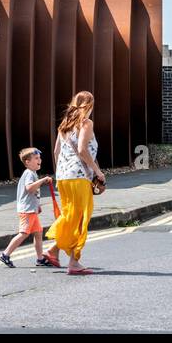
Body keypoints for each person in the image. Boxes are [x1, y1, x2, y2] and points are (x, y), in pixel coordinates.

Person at [44, 91, 105, 275]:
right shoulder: (86, 123)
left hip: (63, 177)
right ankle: (73, 262)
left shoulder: (65, 125)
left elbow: (56, 151)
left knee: (71, 214)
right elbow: (82, 150)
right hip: (78, 178)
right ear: (90, 105)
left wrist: (59, 173)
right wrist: (98, 171)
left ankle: (54, 251)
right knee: (80, 219)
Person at [0, 147, 54, 267]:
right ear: (27, 162)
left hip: (31, 209)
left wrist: (37, 205)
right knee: (24, 233)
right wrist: (43, 180)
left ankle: (40, 259)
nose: (39, 160)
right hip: (27, 210)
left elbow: (33, 193)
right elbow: (29, 188)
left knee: (38, 233)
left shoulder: (32, 173)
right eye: (36, 158)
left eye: (39, 158)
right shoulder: (29, 173)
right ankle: (5, 254)